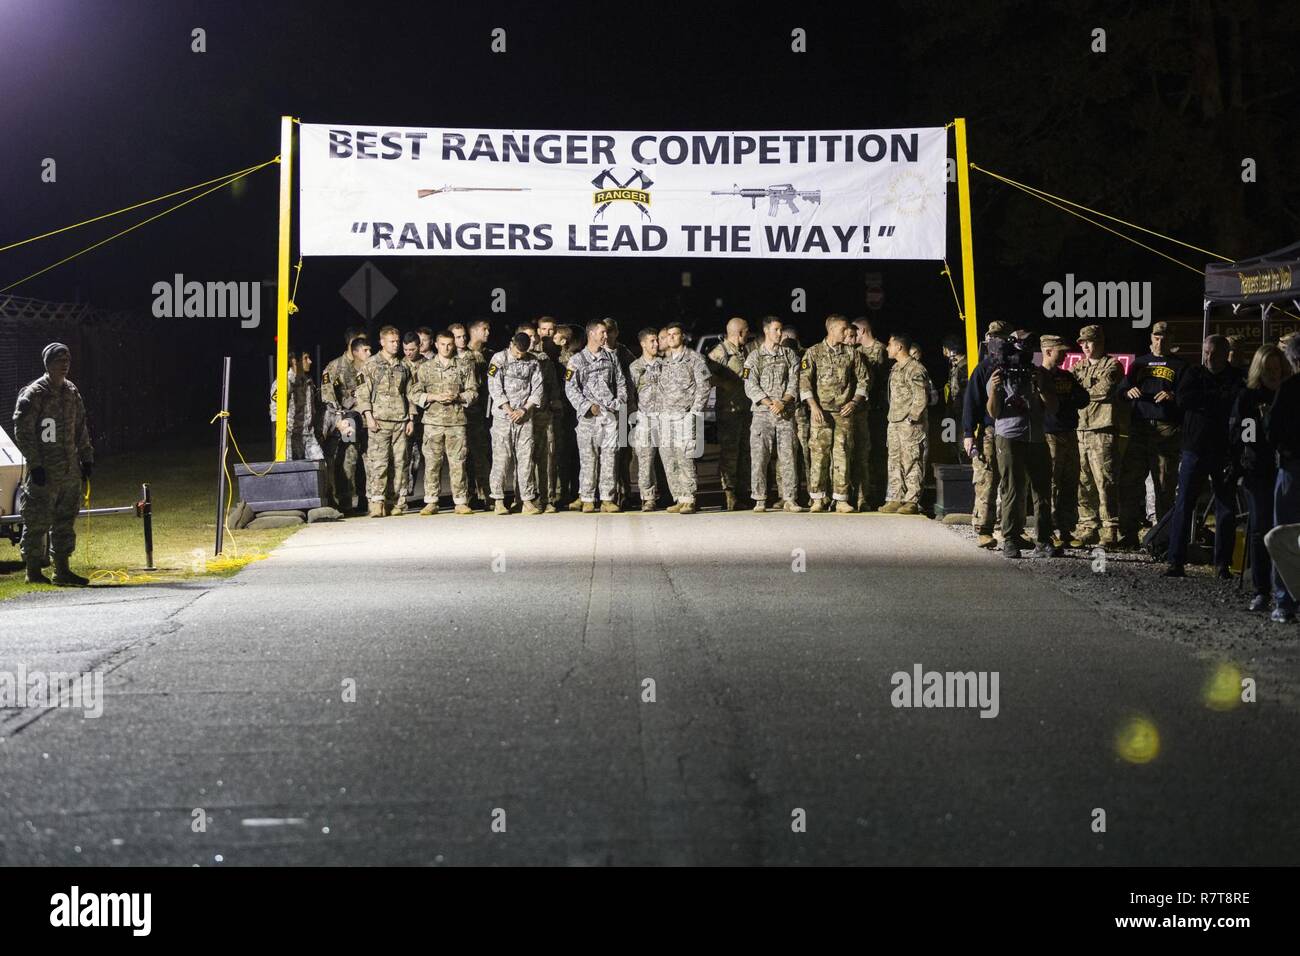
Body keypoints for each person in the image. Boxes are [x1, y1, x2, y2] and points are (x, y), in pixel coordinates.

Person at [13, 342, 93, 586]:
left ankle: (62, 570)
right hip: (45, 471)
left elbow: (81, 427)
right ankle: (34, 571)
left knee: (65, 519)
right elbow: (23, 431)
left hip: (69, 470)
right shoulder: (35, 394)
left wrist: (87, 457)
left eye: (67, 360)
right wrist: (35, 464)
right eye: (60, 360)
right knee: (37, 519)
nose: (65, 365)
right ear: (48, 364)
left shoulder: (71, 392)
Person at [1164, 335, 1244, 577]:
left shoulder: (1235, 378)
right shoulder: (1194, 373)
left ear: (1225, 353)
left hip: (1223, 451)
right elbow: (1184, 400)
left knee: (1225, 508)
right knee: (1184, 504)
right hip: (1194, 448)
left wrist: (1206, 400)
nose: (1208, 357)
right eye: (1206, 352)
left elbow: (1235, 404)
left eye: (1213, 353)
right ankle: (1175, 560)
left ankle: (1222, 564)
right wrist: (1217, 400)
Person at [984, 338, 1060, 558]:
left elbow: (1053, 407)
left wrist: (1041, 387)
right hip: (1008, 437)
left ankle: (1044, 540)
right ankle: (1010, 538)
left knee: (1042, 490)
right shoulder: (999, 375)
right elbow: (994, 413)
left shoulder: (1039, 375)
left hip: (1035, 437)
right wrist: (994, 391)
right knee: (1012, 489)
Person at [1230, 344, 1289, 611]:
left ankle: (1286, 588)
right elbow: (1246, 436)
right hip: (1259, 471)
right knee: (1260, 529)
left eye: (1278, 369)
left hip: (1286, 468)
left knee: (1286, 530)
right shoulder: (1249, 398)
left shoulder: (1289, 395)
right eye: (1269, 370)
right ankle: (1261, 589)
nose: (1274, 375)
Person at [1117, 321, 1185, 547]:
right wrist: (1128, 391)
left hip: (1167, 427)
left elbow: (1190, 396)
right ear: (1151, 337)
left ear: (1172, 339)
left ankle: (1162, 537)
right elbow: (1120, 390)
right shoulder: (1139, 364)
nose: (1160, 340)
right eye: (1157, 336)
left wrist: (1174, 396)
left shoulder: (1180, 365)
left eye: (1165, 336)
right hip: (1140, 427)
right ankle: (1127, 534)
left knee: (1164, 485)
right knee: (1130, 481)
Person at [800, 315, 869, 512]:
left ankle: (841, 499)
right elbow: (804, 380)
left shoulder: (851, 354)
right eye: (843, 329)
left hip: (844, 413)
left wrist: (855, 402)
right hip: (820, 412)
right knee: (819, 455)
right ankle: (817, 499)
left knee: (843, 454)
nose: (847, 332)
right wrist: (812, 405)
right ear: (831, 330)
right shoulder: (813, 352)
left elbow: (863, 380)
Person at [408, 330, 477, 516]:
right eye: (442, 344)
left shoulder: (464, 366)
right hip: (433, 422)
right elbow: (414, 393)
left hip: (456, 422)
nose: (446, 348)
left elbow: (473, 391)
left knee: (458, 463)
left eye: (449, 344)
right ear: (436, 345)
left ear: (453, 345)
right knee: (432, 463)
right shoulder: (425, 368)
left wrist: (458, 397)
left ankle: (461, 501)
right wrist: (434, 397)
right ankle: (431, 501)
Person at [1070, 325, 1125, 548]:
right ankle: (1088, 525)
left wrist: (1080, 393)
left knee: (1105, 480)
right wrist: (1080, 393)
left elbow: (1104, 390)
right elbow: (1068, 393)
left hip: (1102, 429)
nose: (1085, 346)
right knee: (1083, 481)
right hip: (1081, 429)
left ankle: (1110, 527)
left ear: (1100, 342)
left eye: (1089, 342)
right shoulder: (1078, 367)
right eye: (1082, 343)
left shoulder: (1112, 365)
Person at [565, 319, 628, 513]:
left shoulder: (611, 358)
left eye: (606, 332)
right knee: (588, 458)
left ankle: (607, 499)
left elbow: (621, 383)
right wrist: (586, 406)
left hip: (609, 417)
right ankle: (588, 498)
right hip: (588, 419)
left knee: (610, 458)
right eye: (601, 332)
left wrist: (619, 404)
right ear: (591, 333)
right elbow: (570, 388)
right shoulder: (576, 360)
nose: (605, 336)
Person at [963, 321, 1014, 548]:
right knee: (987, 479)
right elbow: (971, 403)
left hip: (1013, 429)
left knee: (1011, 481)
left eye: (1002, 337)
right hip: (990, 432)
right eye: (994, 337)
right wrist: (968, 434)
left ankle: (1010, 528)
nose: (998, 342)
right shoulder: (984, 368)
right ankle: (984, 528)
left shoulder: (1016, 366)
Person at [354, 325, 415, 517]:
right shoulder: (370, 365)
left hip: (400, 420)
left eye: (397, 341)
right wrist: (368, 417)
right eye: (392, 341)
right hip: (379, 421)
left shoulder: (404, 366)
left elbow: (411, 393)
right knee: (378, 463)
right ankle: (376, 501)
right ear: (382, 342)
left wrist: (411, 418)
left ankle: (396, 501)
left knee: (399, 463)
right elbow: (362, 392)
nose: (396, 345)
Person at [744, 316, 803, 512]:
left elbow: (795, 380)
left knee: (788, 456)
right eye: (776, 330)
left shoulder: (789, 355)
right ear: (767, 331)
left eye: (781, 330)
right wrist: (770, 403)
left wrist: (783, 402)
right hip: (762, 414)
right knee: (760, 457)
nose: (780, 334)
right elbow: (749, 384)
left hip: (785, 413)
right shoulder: (754, 357)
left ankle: (790, 498)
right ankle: (760, 498)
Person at [1038, 335, 1089, 547]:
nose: (1066, 355)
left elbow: (1083, 398)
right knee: (1051, 484)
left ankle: (1066, 529)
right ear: (1048, 351)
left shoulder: (1066, 376)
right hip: (1048, 434)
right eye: (1061, 351)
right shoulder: (1037, 375)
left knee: (1070, 481)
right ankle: (1048, 532)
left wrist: (1065, 398)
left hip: (1069, 432)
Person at [656, 322, 711, 513]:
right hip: (666, 417)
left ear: (683, 337)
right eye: (668, 334)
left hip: (685, 416)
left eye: (675, 334)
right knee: (669, 458)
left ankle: (689, 498)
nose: (671, 338)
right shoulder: (665, 361)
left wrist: (694, 413)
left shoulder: (694, 359)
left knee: (685, 457)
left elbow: (704, 387)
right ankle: (678, 496)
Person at [1266, 335, 1300, 622]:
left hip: (1292, 468)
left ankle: (1284, 601)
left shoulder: (1289, 389)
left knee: (1282, 533)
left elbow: (1272, 428)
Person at [880, 333, 931, 515]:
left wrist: (912, 418)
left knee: (912, 460)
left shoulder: (915, 369)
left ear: (899, 347)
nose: (887, 348)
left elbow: (921, 396)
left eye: (889, 344)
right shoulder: (895, 368)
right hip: (894, 421)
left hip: (910, 424)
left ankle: (911, 500)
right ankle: (895, 497)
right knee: (894, 461)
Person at [707, 317, 753, 510]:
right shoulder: (720, 352)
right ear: (740, 332)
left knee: (744, 453)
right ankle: (730, 494)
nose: (749, 335)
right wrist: (723, 383)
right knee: (730, 454)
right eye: (747, 331)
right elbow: (706, 377)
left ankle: (743, 492)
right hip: (729, 411)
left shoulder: (745, 351)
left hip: (745, 410)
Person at [322, 335, 370, 513]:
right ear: (351, 344)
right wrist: (338, 418)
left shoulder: (367, 365)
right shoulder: (336, 366)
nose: (366, 349)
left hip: (365, 419)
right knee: (348, 458)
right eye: (361, 345)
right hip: (347, 419)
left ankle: (366, 497)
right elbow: (327, 395)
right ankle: (345, 499)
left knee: (366, 459)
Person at [853, 317, 889, 510]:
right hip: (862, 410)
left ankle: (881, 493)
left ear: (863, 331)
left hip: (877, 409)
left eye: (855, 332)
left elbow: (882, 381)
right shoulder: (856, 352)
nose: (851, 336)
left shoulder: (881, 350)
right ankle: (864, 493)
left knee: (879, 453)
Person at [628, 328, 663, 511]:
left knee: (669, 459)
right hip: (644, 419)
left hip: (665, 419)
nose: (656, 344)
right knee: (645, 460)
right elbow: (629, 395)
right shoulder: (635, 368)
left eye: (657, 340)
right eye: (652, 341)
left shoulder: (664, 364)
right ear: (643, 344)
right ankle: (648, 498)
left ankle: (670, 494)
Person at [270, 348, 325, 463]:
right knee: (290, 471)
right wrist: (282, 437)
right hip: (291, 436)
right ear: (295, 361)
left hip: (309, 434)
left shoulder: (308, 380)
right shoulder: (284, 381)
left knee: (319, 466)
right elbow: (275, 410)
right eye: (306, 358)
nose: (310, 361)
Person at [461, 319, 492, 506]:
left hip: (485, 412)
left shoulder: (489, 355)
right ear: (473, 331)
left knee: (483, 454)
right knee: (466, 456)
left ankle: (486, 493)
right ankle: (469, 493)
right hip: (467, 412)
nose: (488, 332)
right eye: (484, 329)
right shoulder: (464, 356)